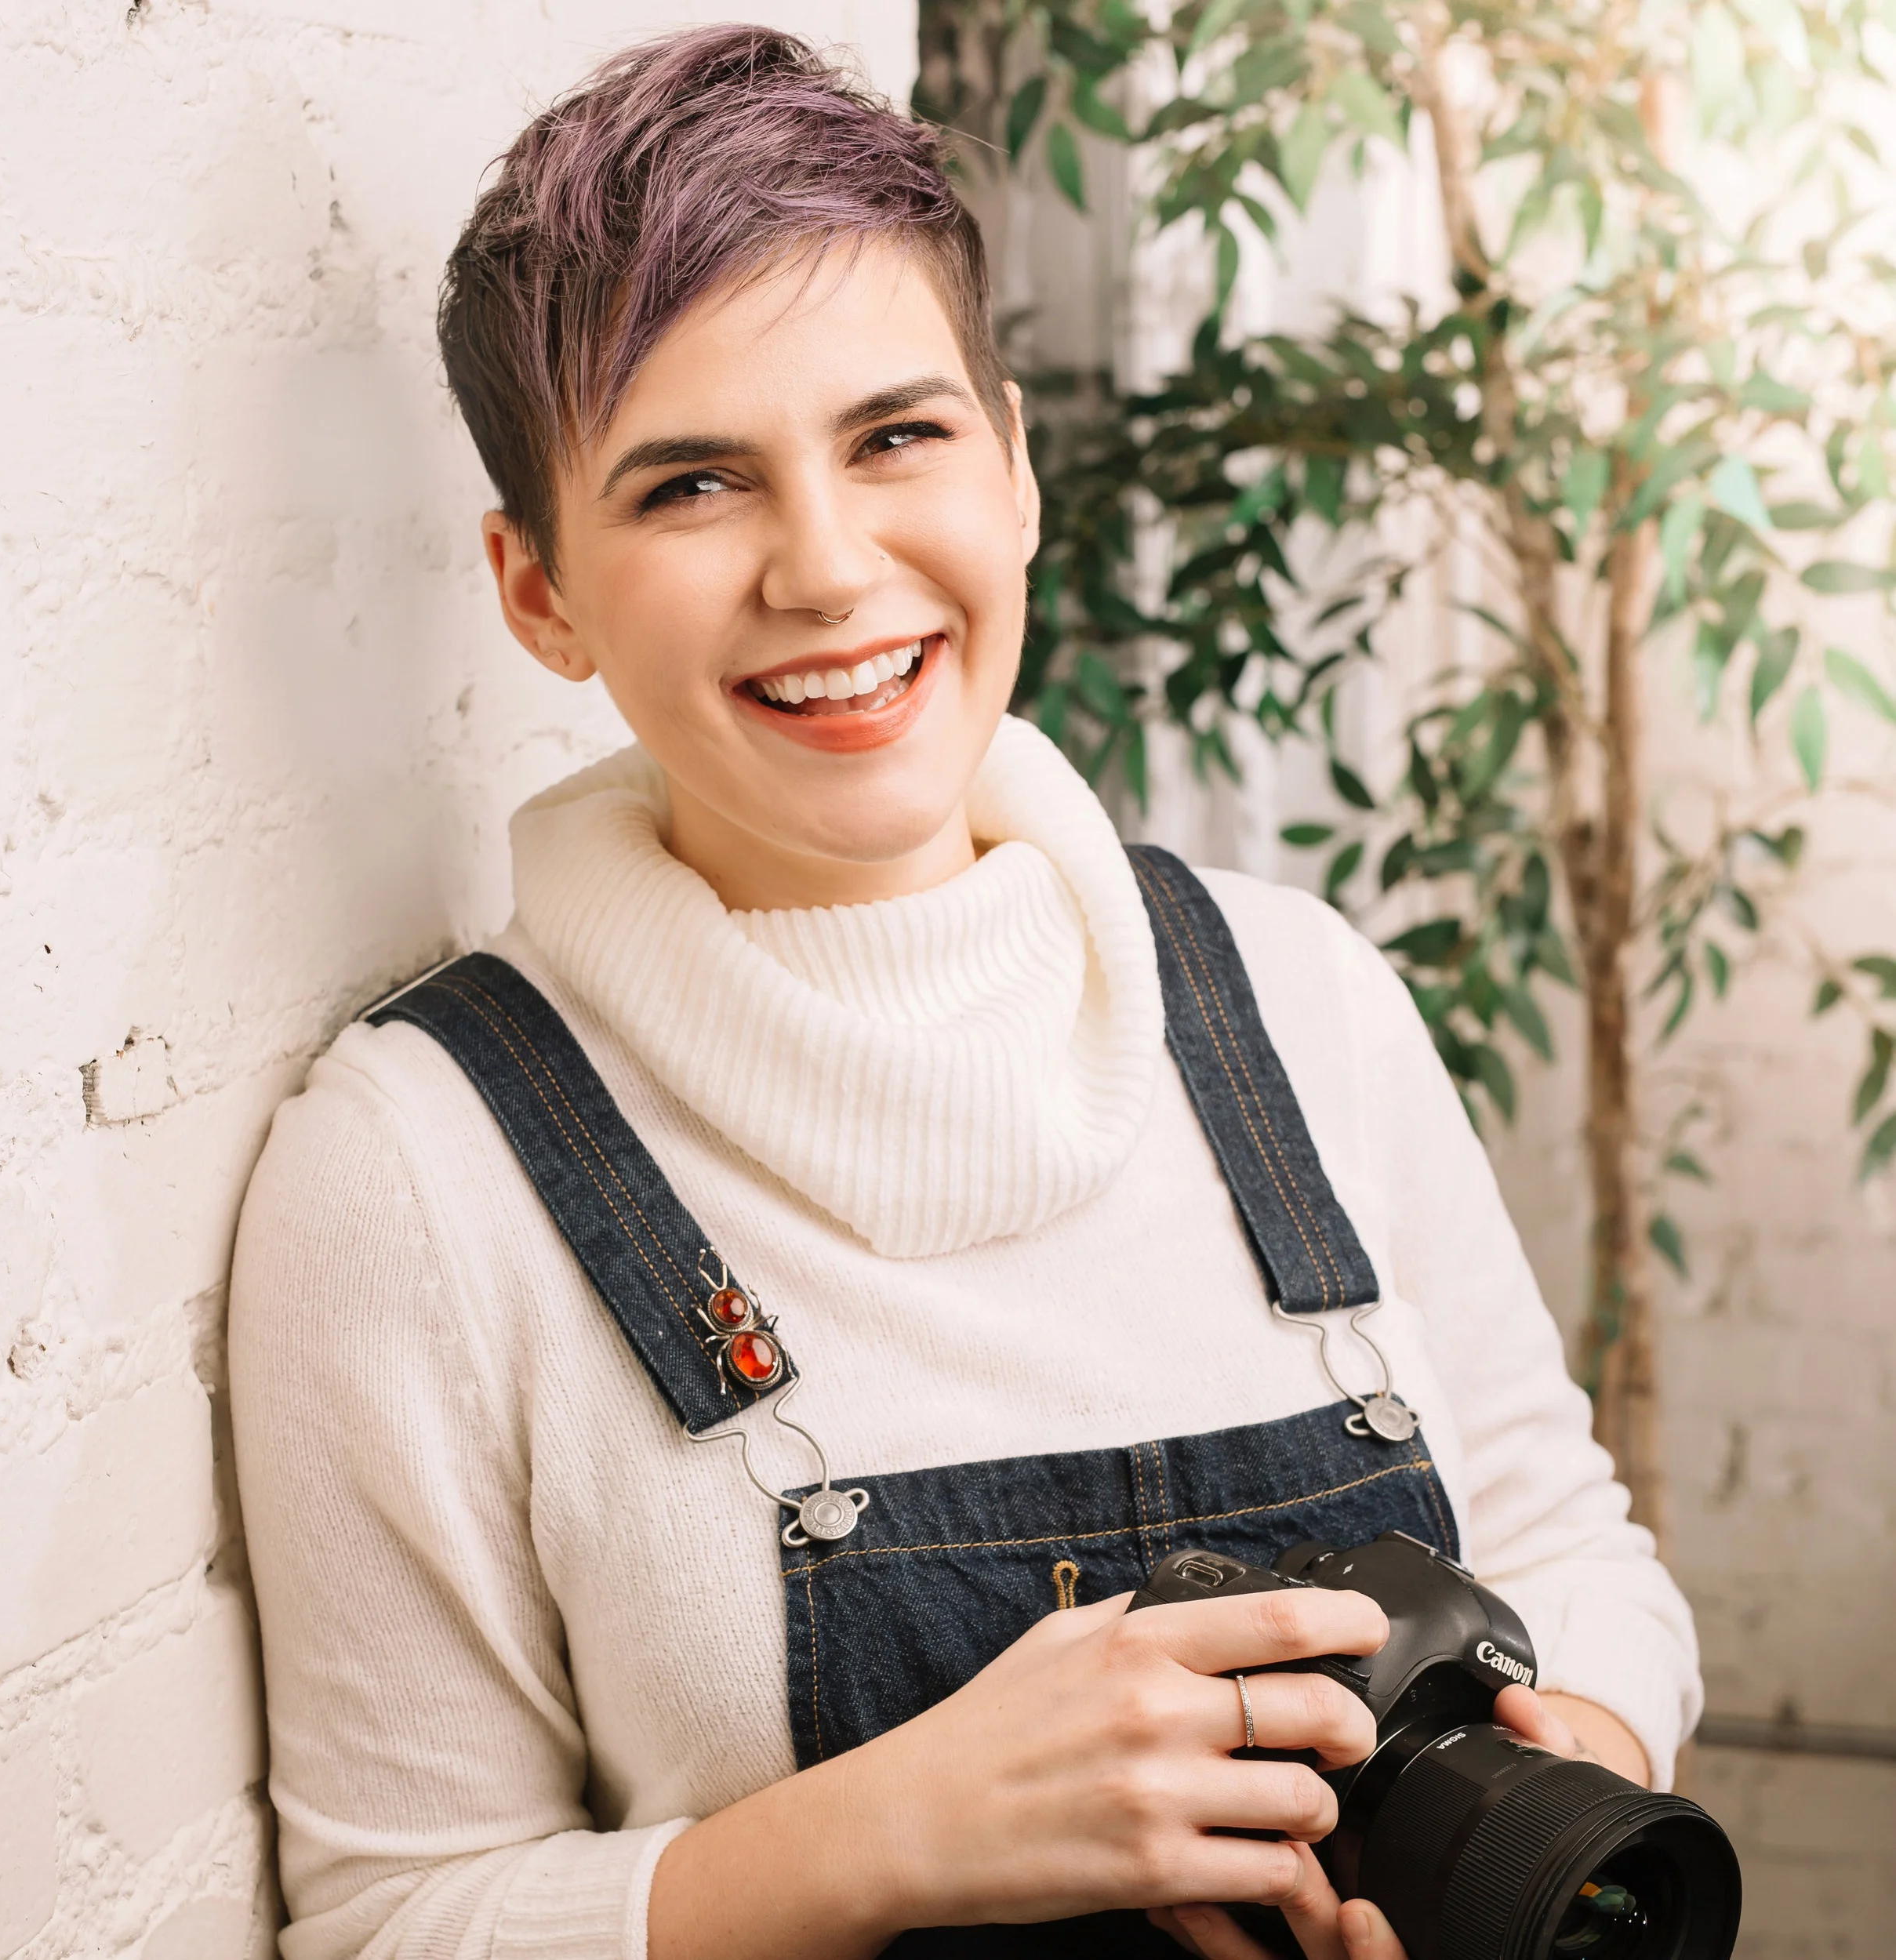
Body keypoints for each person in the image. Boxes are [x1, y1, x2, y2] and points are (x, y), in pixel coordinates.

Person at [227, 26, 1701, 1960]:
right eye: (689, 484)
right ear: (540, 593)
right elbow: (387, 1921)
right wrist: (876, 1836)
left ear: (1009, 466)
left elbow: (1570, 1541)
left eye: (895, 434)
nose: (829, 569)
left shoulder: (1296, 1000)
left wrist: (1529, 1788)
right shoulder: (416, 1175)